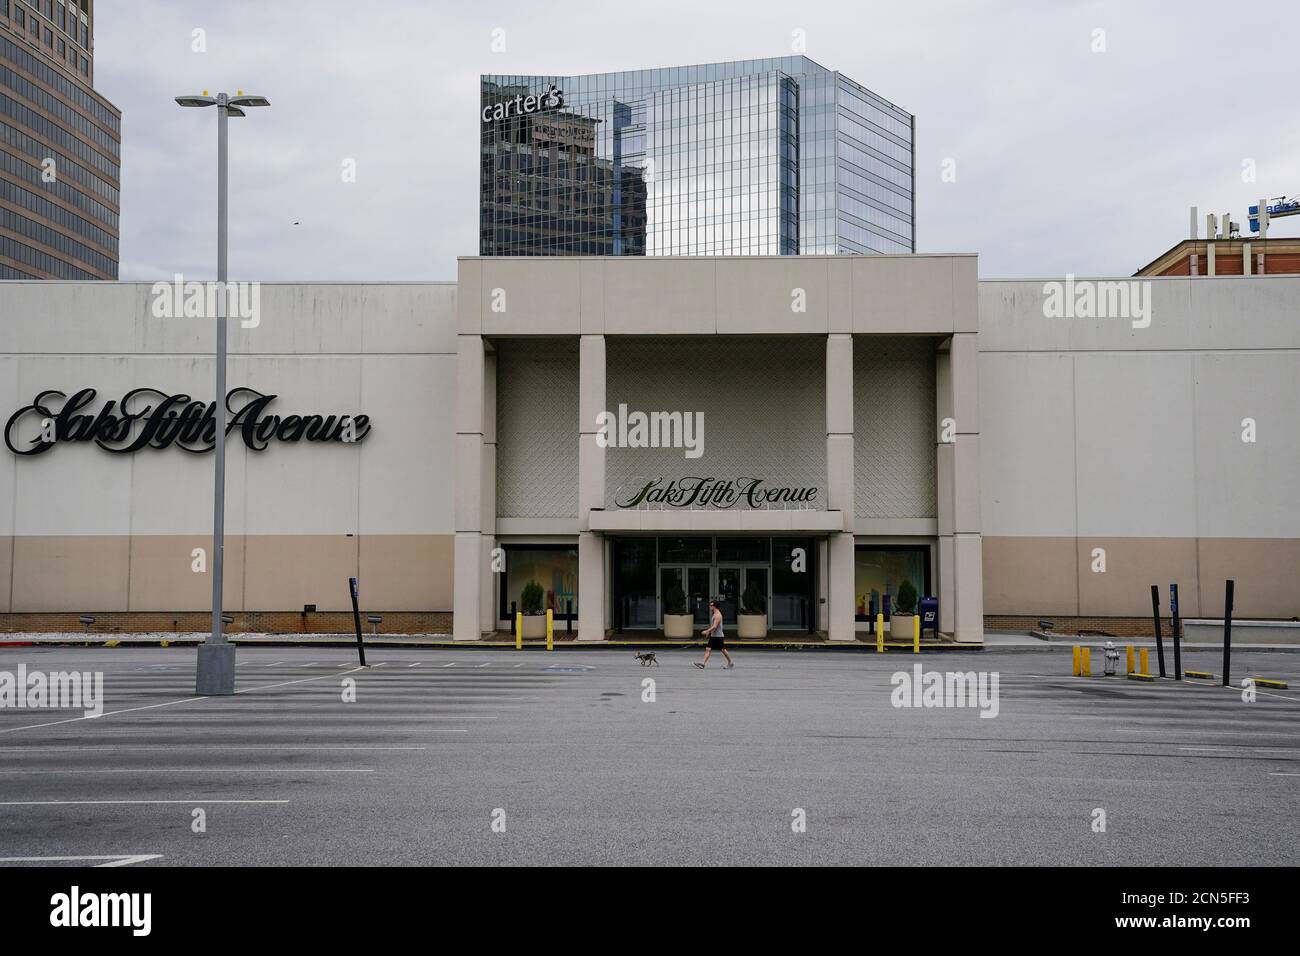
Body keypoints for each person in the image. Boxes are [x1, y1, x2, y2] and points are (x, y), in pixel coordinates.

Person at [695, 599, 733, 669]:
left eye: (711, 605)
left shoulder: (718, 615)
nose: (710, 606)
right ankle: (703, 663)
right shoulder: (714, 614)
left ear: (715, 606)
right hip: (713, 636)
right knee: (708, 649)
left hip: (718, 636)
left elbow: (715, 626)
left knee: (723, 650)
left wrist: (707, 631)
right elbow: (713, 626)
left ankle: (730, 662)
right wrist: (709, 632)